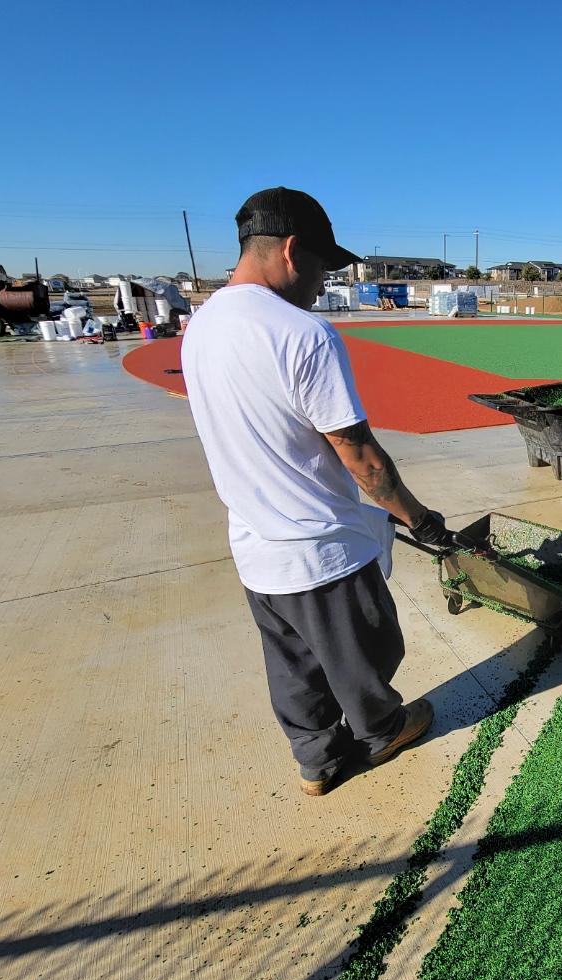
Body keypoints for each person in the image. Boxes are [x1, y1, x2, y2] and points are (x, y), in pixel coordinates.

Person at [182, 187, 455, 796]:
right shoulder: (302, 334)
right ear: (291, 251)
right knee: (368, 648)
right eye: (321, 267)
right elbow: (362, 459)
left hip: (255, 548)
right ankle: (382, 731)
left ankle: (318, 760)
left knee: (294, 665)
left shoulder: (202, 326)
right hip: (319, 547)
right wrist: (419, 518)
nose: (320, 283)